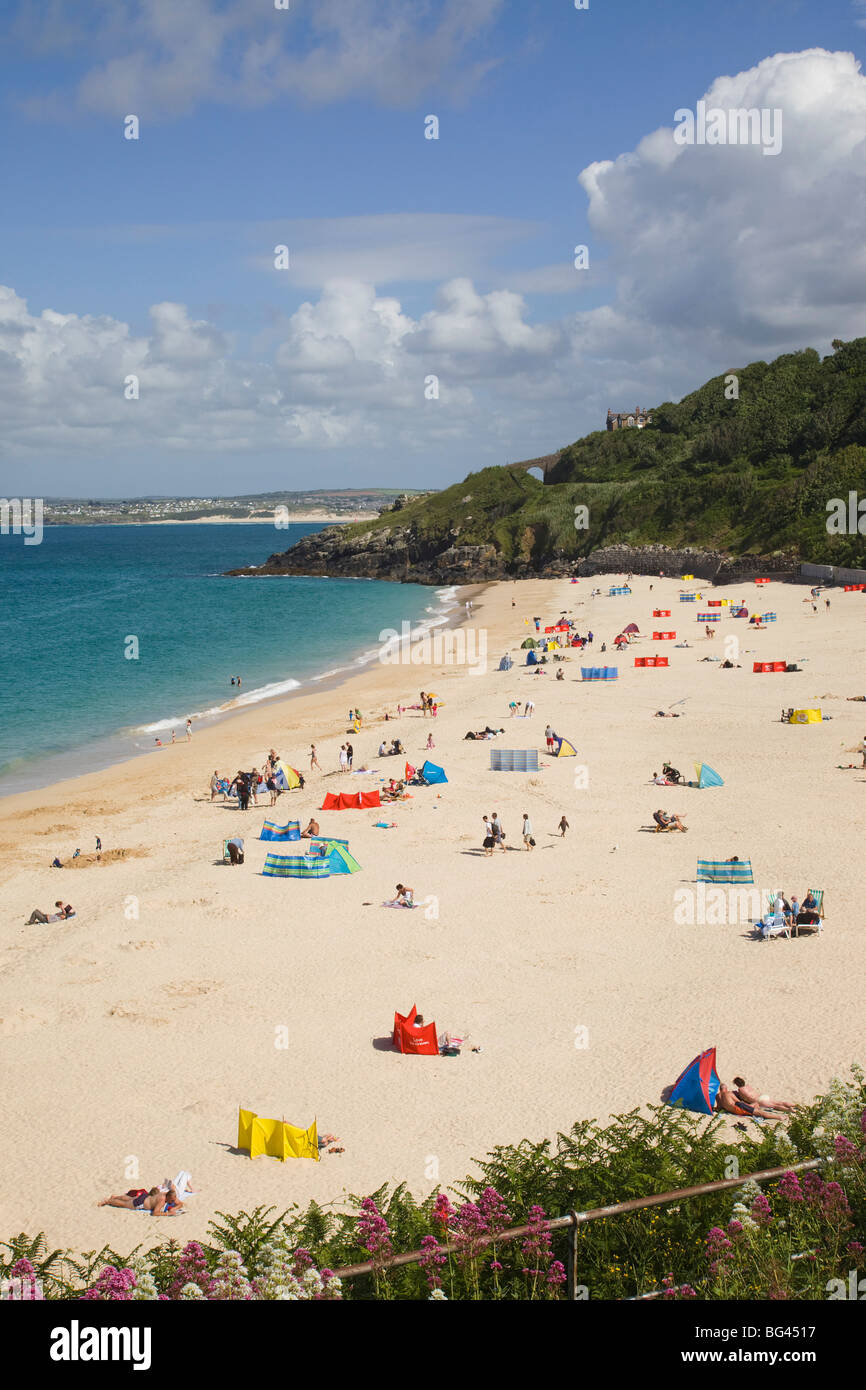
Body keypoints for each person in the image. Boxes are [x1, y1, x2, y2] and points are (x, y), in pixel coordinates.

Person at [715, 1083, 789, 1121]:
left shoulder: (717, 1096)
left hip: (733, 1111)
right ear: (726, 1088)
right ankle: (779, 1117)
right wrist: (747, 1105)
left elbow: (719, 1107)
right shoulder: (729, 1093)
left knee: (755, 1105)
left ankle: (756, 1109)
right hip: (738, 1108)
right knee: (760, 1113)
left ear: (720, 1089)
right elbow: (739, 1102)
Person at [732, 1077, 799, 1113]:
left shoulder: (740, 1090)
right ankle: (796, 1105)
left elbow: (744, 1099)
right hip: (763, 1096)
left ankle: (789, 1110)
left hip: (759, 1100)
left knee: (775, 1106)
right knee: (780, 1102)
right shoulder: (748, 1086)